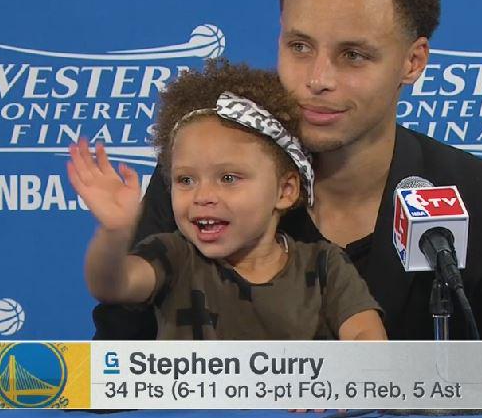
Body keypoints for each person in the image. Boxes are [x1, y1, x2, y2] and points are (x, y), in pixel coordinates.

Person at [94, 0, 482, 401]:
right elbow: (111, 379)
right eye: (299, 46)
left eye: (353, 55)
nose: (317, 79)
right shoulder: (199, 187)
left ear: (413, 61)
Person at [71, 60, 385, 341]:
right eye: (186, 180)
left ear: (284, 191)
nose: (203, 196)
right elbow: (112, 284)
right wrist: (114, 234)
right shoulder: (173, 257)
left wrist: (338, 387)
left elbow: (366, 336)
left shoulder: (324, 265)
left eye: (228, 178)